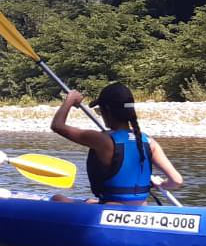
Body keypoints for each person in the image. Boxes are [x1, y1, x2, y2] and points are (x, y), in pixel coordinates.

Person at [50, 83, 183, 205]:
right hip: (141, 209)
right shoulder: (148, 141)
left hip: (110, 210)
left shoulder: (102, 140)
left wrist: (70, 100)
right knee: (90, 201)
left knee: (57, 199)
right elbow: (176, 181)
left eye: (100, 110)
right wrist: (159, 183)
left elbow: (57, 125)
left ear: (106, 110)